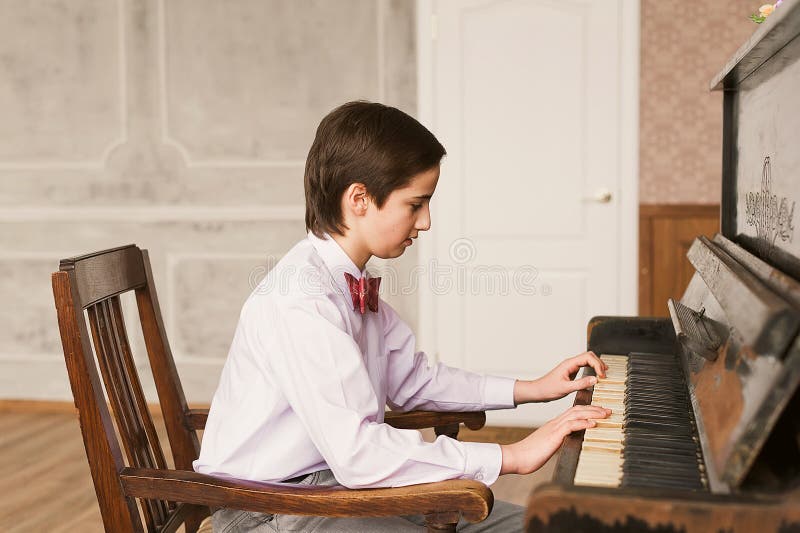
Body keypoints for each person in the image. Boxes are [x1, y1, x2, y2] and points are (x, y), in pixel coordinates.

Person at [194, 101, 611, 532]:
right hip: (269, 506)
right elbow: (359, 454)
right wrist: (513, 455)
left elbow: (415, 381)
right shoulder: (301, 300)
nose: (426, 222)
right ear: (359, 199)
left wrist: (533, 388)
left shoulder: (350, 282)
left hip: (338, 486)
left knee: (541, 527)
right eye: (416, 204)